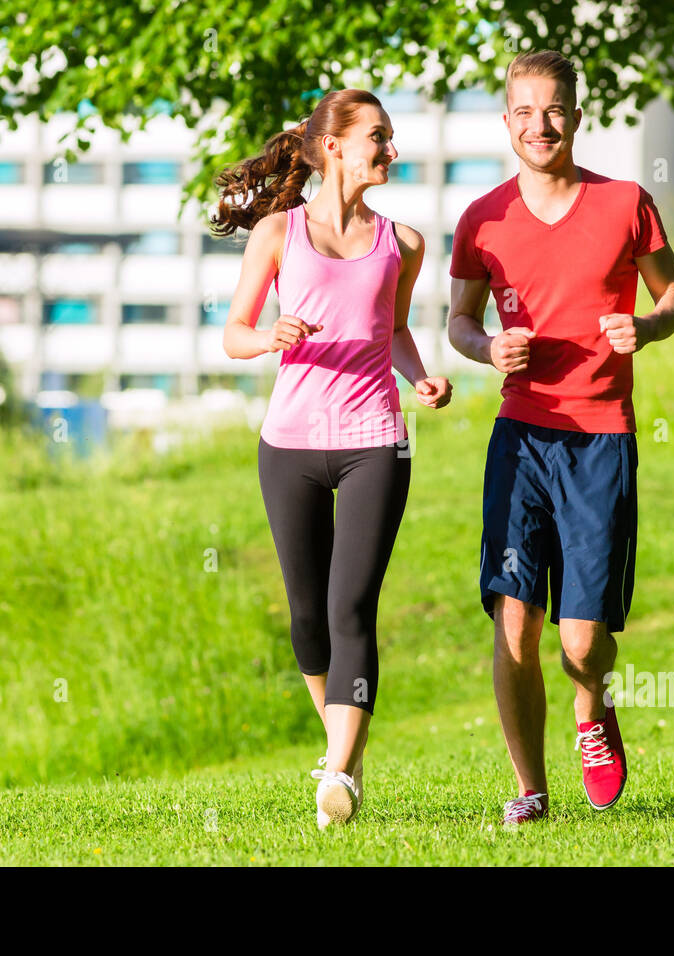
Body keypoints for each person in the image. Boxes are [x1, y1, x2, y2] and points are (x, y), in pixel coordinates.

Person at [447, 52, 674, 824]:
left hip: (601, 439)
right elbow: (458, 321)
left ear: (577, 117)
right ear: (507, 122)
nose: (539, 125)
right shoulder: (482, 218)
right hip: (520, 438)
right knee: (513, 618)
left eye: (553, 110)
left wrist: (646, 327)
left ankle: (593, 709)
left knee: (582, 641)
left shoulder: (625, 203)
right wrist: (487, 349)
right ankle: (530, 787)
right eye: (523, 111)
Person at [214, 89, 452, 828]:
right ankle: (341, 743)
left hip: (376, 441)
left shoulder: (403, 243)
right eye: (378, 138)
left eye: (391, 138)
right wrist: (271, 336)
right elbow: (235, 332)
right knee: (308, 618)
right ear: (335, 147)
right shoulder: (280, 234)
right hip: (288, 446)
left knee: (352, 605)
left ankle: (341, 773)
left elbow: (397, 329)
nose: (391, 150)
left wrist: (422, 377)